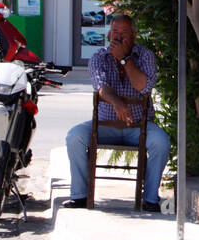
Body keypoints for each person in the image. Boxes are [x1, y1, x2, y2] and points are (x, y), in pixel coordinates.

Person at [64, 13, 170, 212]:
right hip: (105, 125)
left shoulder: (145, 56)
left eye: (125, 33)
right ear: (108, 35)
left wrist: (124, 60)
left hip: (138, 126)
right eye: (115, 32)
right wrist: (118, 104)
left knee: (161, 142)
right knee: (74, 137)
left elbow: (143, 87)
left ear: (134, 35)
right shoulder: (98, 57)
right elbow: (101, 87)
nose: (119, 37)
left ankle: (150, 199)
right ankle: (79, 195)